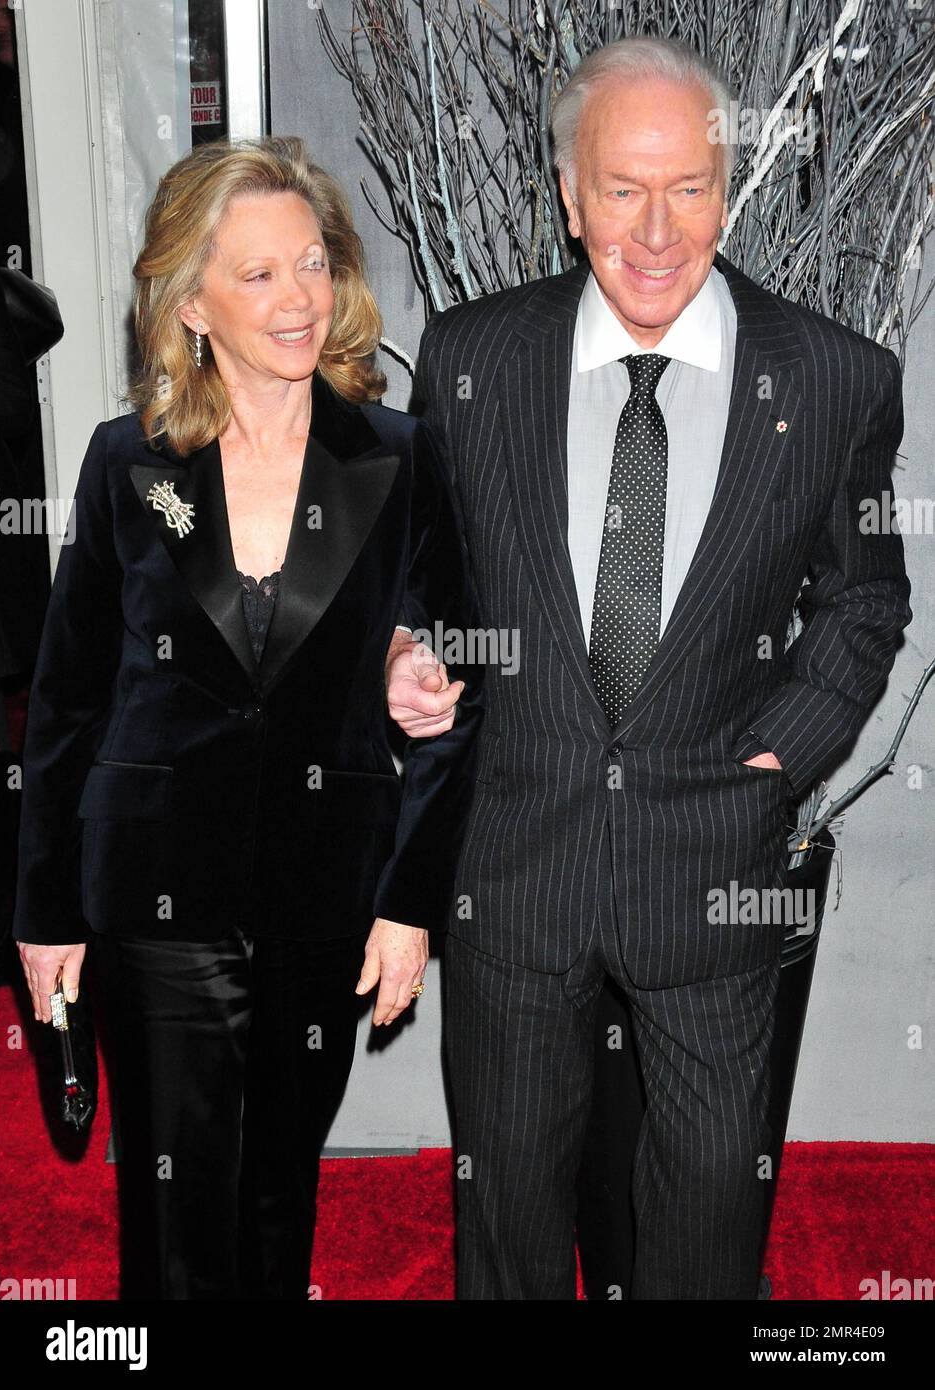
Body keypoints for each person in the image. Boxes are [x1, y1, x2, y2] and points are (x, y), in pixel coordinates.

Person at [385, 36, 911, 1299]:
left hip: (718, 867)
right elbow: (426, 579)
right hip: (516, 866)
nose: (658, 230)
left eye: (689, 189)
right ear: (569, 197)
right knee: (503, 1224)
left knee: (710, 1229)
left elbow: (869, 595)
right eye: (622, 188)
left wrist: (782, 750)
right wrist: (411, 653)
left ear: (729, 189)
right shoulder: (468, 360)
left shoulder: (838, 378)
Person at [12, 135, 483, 1300]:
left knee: (281, 1197)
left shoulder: (399, 456)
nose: (299, 300)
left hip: (327, 894)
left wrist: (412, 901)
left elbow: (467, 685)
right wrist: (44, 911)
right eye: (260, 274)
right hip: (160, 897)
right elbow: (67, 700)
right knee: (179, 1224)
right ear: (193, 304)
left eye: (313, 264)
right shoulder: (129, 464)